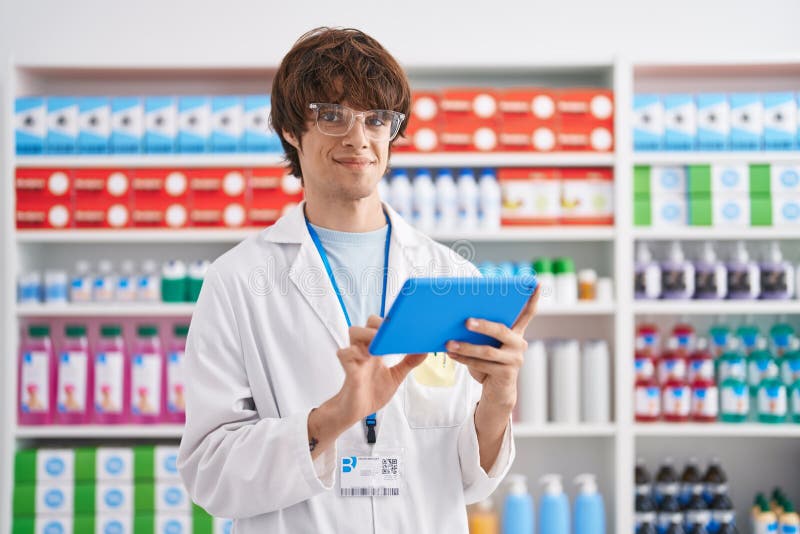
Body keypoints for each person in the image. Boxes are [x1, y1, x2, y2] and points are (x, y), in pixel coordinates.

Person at [177, 27, 539, 534]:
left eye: (376, 119)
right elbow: (209, 473)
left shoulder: (449, 274)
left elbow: (468, 479)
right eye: (331, 115)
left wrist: (499, 401)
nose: (358, 138)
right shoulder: (238, 281)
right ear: (289, 129)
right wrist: (332, 418)